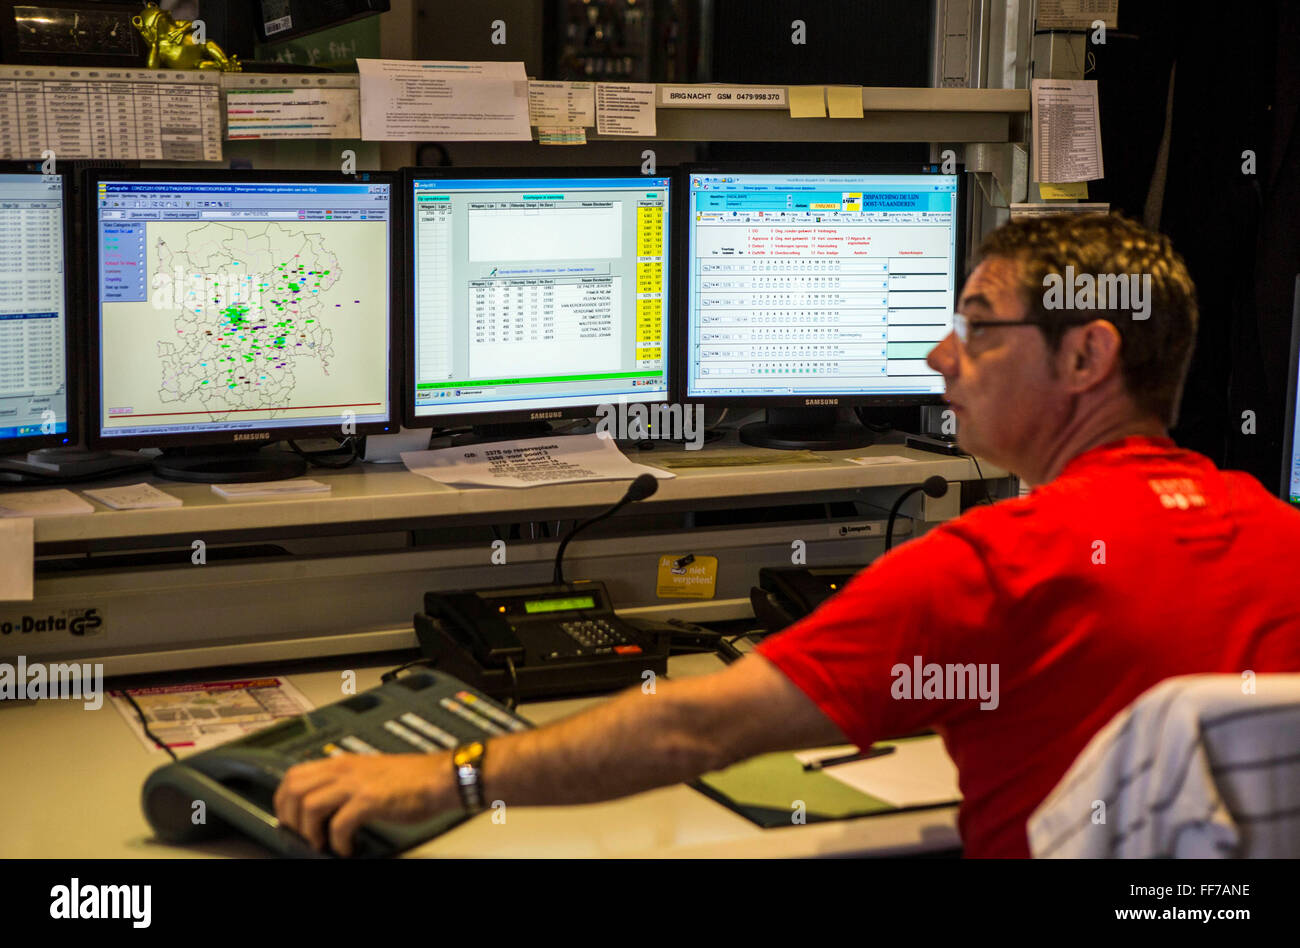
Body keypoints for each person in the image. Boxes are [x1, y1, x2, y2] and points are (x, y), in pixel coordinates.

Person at [274, 214, 1300, 857]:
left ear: (1086, 353)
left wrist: (454, 774)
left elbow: (693, 729)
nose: (942, 353)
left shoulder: (991, 567)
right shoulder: (1280, 534)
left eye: (980, 326)